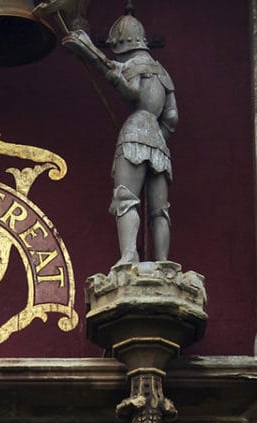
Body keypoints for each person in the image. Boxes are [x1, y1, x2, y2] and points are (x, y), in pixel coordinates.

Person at [62, 12, 178, 265]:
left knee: (125, 199)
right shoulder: (162, 72)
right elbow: (171, 117)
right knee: (160, 211)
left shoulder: (133, 64)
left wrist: (104, 67)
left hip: (134, 131)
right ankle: (162, 261)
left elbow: (131, 91)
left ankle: (129, 256)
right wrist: (156, 136)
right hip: (159, 141)